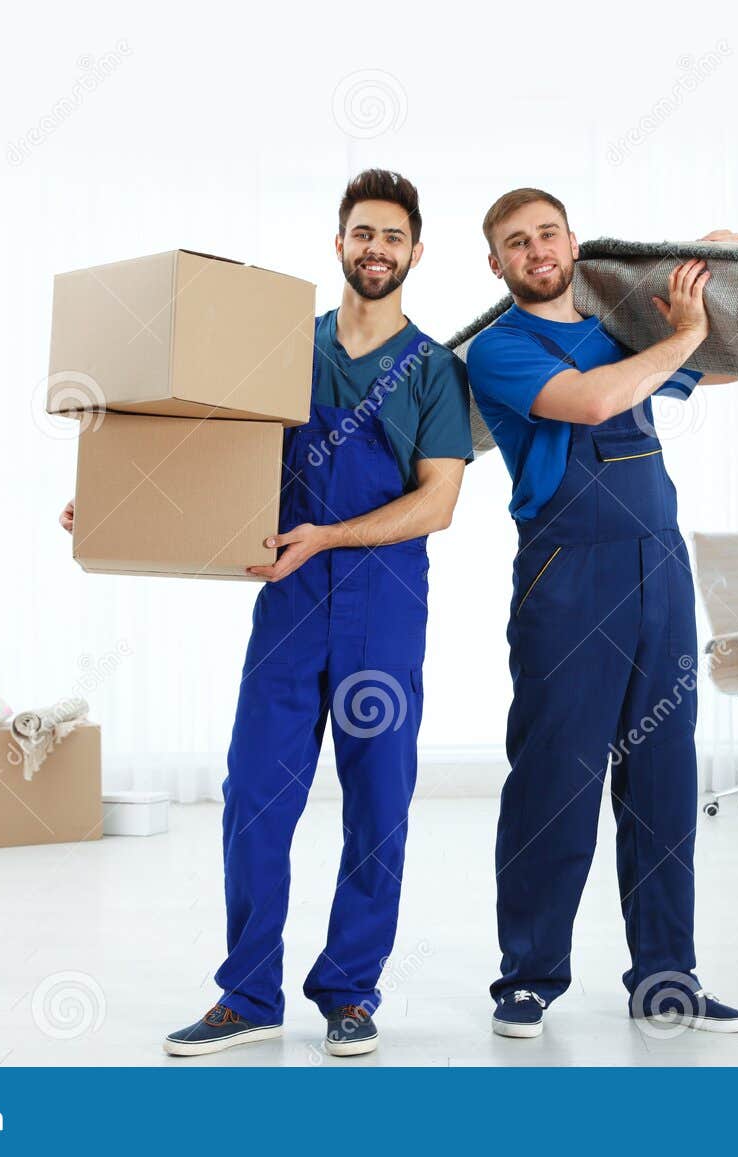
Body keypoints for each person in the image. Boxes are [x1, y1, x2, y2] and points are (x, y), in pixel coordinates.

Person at [60, 169, 472, 1058]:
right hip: (289, 603)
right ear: (338, 243)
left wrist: (329, 536)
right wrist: (114, 501)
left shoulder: (435, 370)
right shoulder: (281, 344)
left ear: (416, 252)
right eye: (362, 232)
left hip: (383, 608)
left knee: (379, 803)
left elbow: (439, 501)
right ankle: (248, 994)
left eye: (393, 236)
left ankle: (350, 991)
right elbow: (204, 443)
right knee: (254, 795)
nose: (377, 249)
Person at [464, 187, 738, 1039]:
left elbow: (725, 362)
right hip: (567, 574)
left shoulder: (621, 328)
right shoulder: (500, 349)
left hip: (658, 566)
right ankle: (528, 976)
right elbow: (590, 402)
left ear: (573, 243)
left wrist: (697, 286)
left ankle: (667, 975)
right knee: (556, 780)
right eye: (517, 242)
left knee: (663, 775)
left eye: (548, 233)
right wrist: (680, 337)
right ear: (498, 265)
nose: (536, 249)